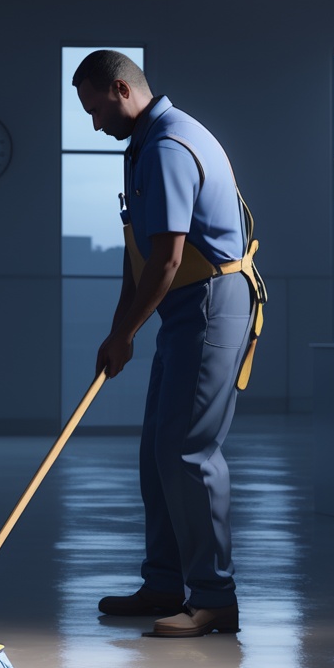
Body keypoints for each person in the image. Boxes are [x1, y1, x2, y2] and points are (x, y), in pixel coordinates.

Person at [73, 50, 264, 638]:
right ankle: (163, 583)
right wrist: (117, 331)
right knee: (158, 451)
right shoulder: (143, 145)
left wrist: (127, 332)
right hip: (182, 304)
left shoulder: (167, 147)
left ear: (124, 89)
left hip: (211, 300)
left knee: (188, 451)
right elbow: (140, 257)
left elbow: (170, 258)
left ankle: (214, 598)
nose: (96, 123)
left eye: (99, 109)